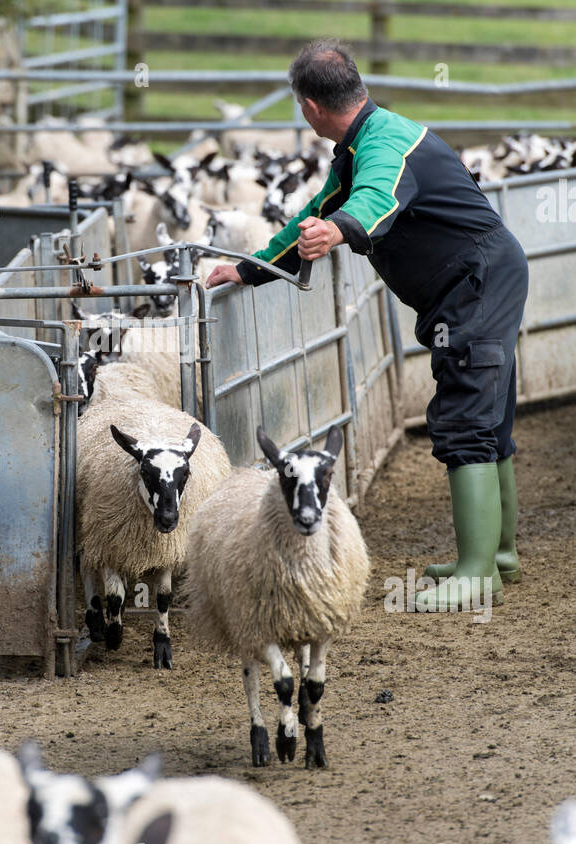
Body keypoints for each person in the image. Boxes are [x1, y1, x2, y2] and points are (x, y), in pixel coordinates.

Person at [206, 39, 529, 613]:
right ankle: (498, 553)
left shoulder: (385, 145)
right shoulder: (362, 146)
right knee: (488, 407)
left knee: (467, 412)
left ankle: (480, 573)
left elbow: (374, 201)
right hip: (481, 277)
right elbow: (316, 213)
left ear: (308, 108)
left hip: (475, 284)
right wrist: (247, 269)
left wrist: (341, 230)